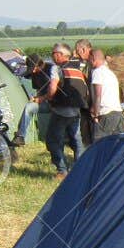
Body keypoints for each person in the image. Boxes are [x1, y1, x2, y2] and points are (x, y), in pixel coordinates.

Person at [38, 43, 90, 178]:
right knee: (76, 140)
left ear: (59, 55)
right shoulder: (77, 68)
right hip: (76, 110)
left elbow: (52, 88)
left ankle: (62, 170)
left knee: (53, 140)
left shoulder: (57, 68)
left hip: (61, 110)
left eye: (53, 53)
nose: (52, 56)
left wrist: (43, 98)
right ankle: (80, 169)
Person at [89, 48, 122, 137]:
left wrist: (95, 114)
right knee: (115, 142)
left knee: (100, 141)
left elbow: (98, 95)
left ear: (93, 58)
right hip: (117, 112)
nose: (89, 62)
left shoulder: (97, 72)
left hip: (106, 113)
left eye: (89, 59)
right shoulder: (110, 73)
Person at [74, 39, 97, 146]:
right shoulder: (88, 63)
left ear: (83, 49)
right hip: (88, 103)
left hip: (94, 104)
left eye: (77, 51)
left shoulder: (94, 62)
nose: (77, 54)